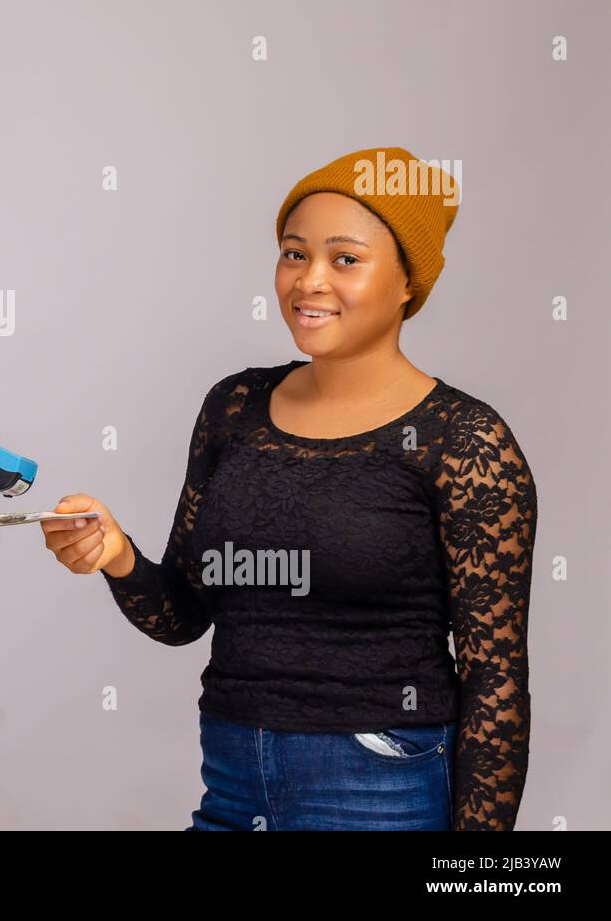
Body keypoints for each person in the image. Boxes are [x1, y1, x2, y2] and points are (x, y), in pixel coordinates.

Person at [42, 148, 535, 831]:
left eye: (345, 259)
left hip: (380, 786)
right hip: (234, 781)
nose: (310, 281)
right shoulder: (234, 407)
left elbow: (496, 684)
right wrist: (116, 555)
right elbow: (184, 616)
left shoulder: (464, 441)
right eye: (294, 254)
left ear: (406, 282)